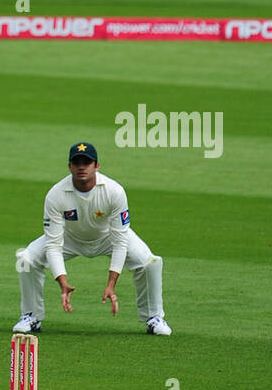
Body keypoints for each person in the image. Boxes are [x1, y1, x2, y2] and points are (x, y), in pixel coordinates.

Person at [13, 142, 171, 337]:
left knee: (149, 263)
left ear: (96, 165)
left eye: (86, 162)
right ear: (69, 166)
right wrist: (62, 282)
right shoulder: (56, 195)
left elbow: (120, 240)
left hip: (108, 237)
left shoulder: (114, 191)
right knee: (26, 258)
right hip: (69, 238)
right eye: (76, 162)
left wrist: (111, 284)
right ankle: (31, 315)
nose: (81, 167)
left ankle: (154, 317)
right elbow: (53, 244)